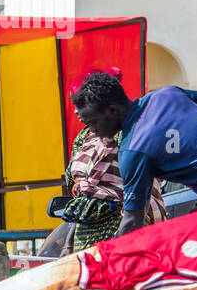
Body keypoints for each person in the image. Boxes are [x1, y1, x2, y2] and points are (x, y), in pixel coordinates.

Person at [70, 71, 197, 237]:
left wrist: (106, 253)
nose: (92, 131)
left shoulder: (133, 149)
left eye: (93, 123)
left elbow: (133, 220)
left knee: (192, 246)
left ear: (112, 111)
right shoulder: (167, 94)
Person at [58, 68, 166, 250]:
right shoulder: (83, 138)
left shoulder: (127, 130)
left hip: (123, 223)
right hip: (84, 235)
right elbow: (86, 195)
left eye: (80, 103)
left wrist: (122, 238)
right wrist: (67, 244)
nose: (76, 112)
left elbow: (137, 186)